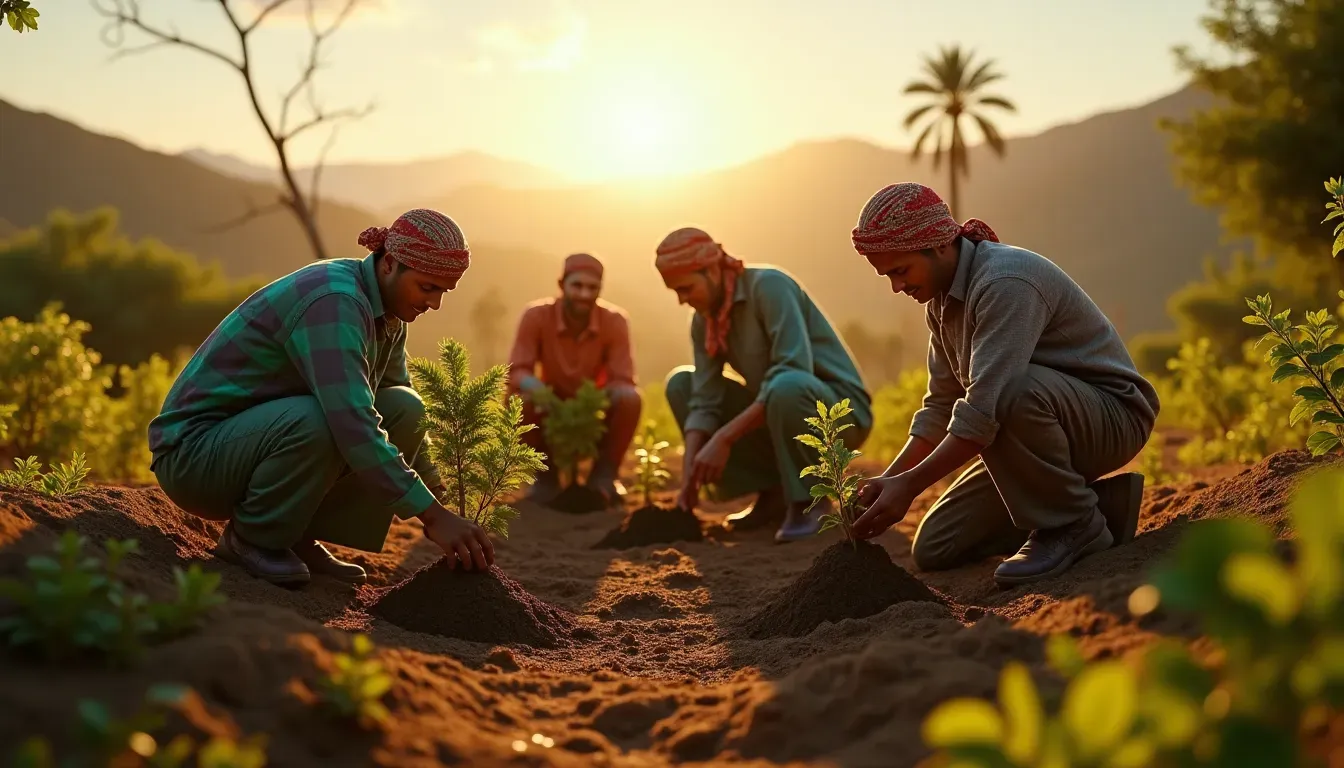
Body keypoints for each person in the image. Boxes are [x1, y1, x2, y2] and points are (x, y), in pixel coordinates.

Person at [148, 209, 496, 588]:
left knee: (404, 407)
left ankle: (295, 535)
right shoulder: (335, 301)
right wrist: (432, 516)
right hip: (195, 457)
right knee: (323, 419)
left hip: (256, 441)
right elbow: (352, 421)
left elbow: (398, 399)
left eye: (443, 291)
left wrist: (439, 495)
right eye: (427, 287)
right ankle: (253, 538)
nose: (435, 303)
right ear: (389, 264)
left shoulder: (389, 313)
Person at [849, 183, 1159, 587]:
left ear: (938, 245)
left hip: (1111, 419)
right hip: (1038, 426)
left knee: (1009, 390)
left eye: (900, 271)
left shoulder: (1005, 281)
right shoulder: (940, 302)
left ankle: (1072, 523)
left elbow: (984, 409)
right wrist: (890, 481)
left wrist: (909, 487)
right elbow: (940, 406)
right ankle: (1094, 504)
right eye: (887, 276)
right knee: (937, 544)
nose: (896, 287)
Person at [657, 227, 873, 543]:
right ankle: (772, 494)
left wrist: (723, 438)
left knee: (787, 384)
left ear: (712, 270)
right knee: (681, 384)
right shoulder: (703, 320)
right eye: (675, 292)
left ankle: (810, 501)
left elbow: (793, 368)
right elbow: (703, 399)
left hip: (837, 414)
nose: (682, 300)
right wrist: (688, 479)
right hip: (778, 408)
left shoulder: (770, 286)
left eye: (686, 288)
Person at [506, 252, 641, 504]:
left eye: (592, 288)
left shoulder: (615, 321)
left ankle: (604, 477)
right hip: (548, 405)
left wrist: (593, 402)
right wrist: (538, 389)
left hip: (593, 405)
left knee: (629, 398)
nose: (584, 294)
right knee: (520, 399)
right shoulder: (536, 316)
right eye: (577, 286)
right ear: (562, 285)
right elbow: (517, 371)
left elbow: (623, 378)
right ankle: (544, 478)